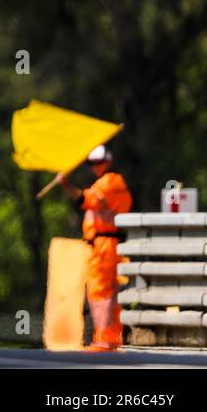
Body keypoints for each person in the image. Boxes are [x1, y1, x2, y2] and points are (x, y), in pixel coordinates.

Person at [58, 145, 132, 350]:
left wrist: (65, 185)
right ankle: (109, 337)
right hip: (102, 245)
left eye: (98, 162)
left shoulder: (110, 182)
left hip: (105, 245)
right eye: (92, 163)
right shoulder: (106, 182)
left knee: (101, 291)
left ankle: (106, 338)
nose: (94, 167)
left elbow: (87, 200)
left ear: (108, 161)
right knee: (107, 292)